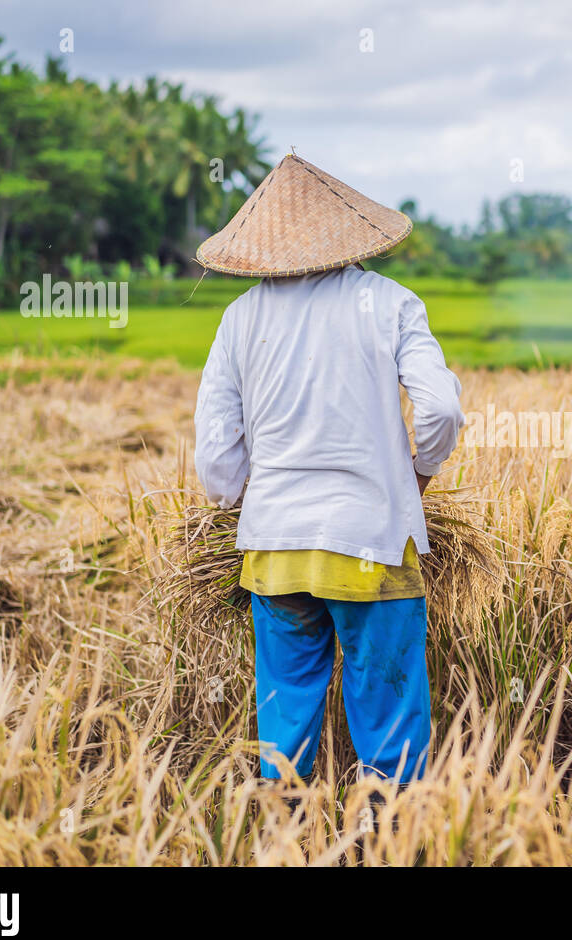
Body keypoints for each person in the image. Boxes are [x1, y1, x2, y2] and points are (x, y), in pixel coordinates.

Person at [192, 152, 464, 786]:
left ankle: (281, 838)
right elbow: (442, 408)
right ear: (350, 237)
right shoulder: (392, 303)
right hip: (371, 545)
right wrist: (418, 475)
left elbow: (215, 461)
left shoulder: (238, 320)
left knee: (283, 720)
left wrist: (238, 497)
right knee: (390, 720)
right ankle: (390, 842)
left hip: (274, 548)